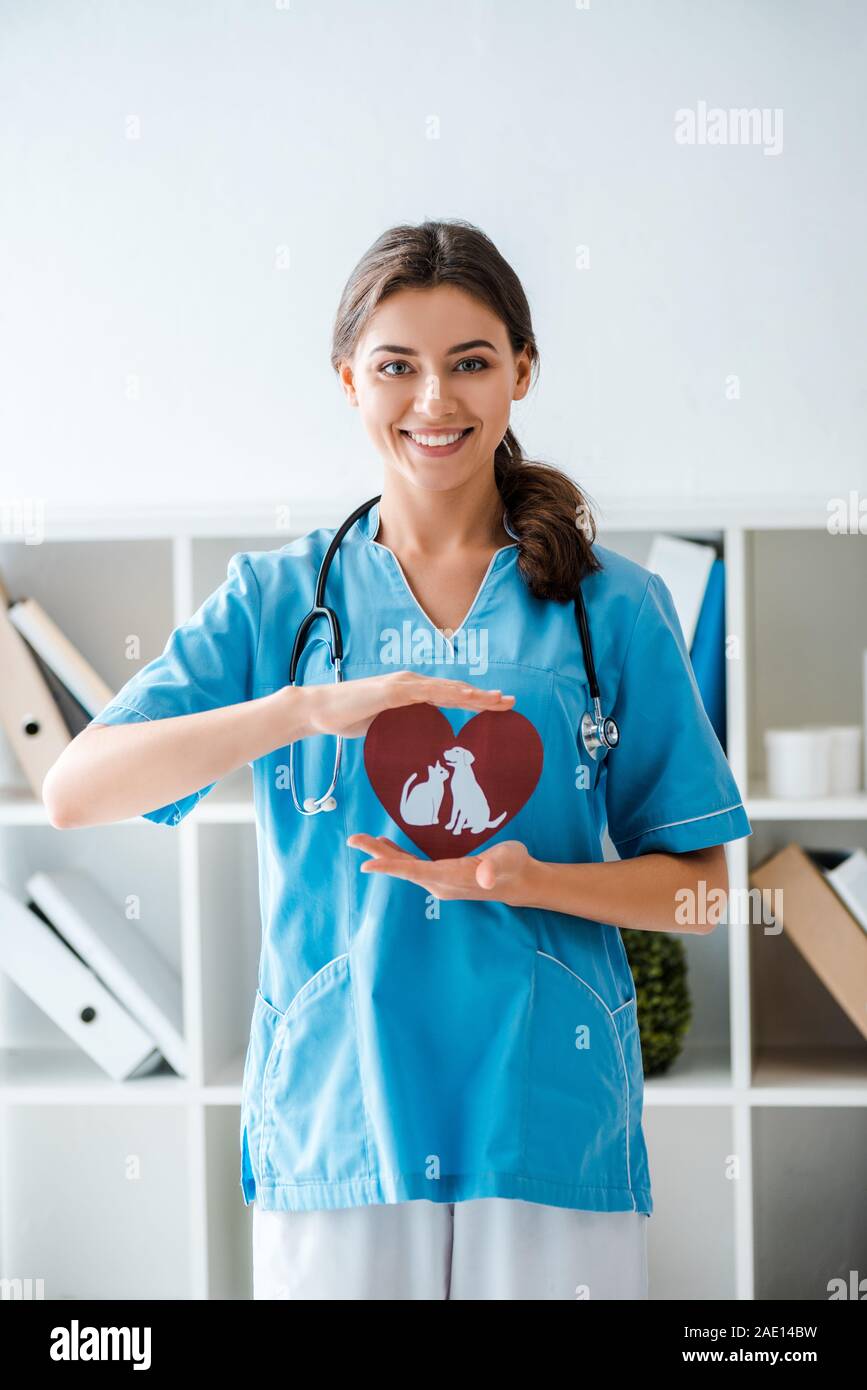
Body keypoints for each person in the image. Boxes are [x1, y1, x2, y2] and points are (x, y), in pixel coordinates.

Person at [43, 219, 752, 1301]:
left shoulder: (615, 607)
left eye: (470, 362)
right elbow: (75, 788)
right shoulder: (279, 602)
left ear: (522, 370)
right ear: (347, 381)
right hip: (340, 1119)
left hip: (548, 1116)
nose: (435, 400)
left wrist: (535, 882)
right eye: (396, 366)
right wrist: (304, 707)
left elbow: (704, 899)